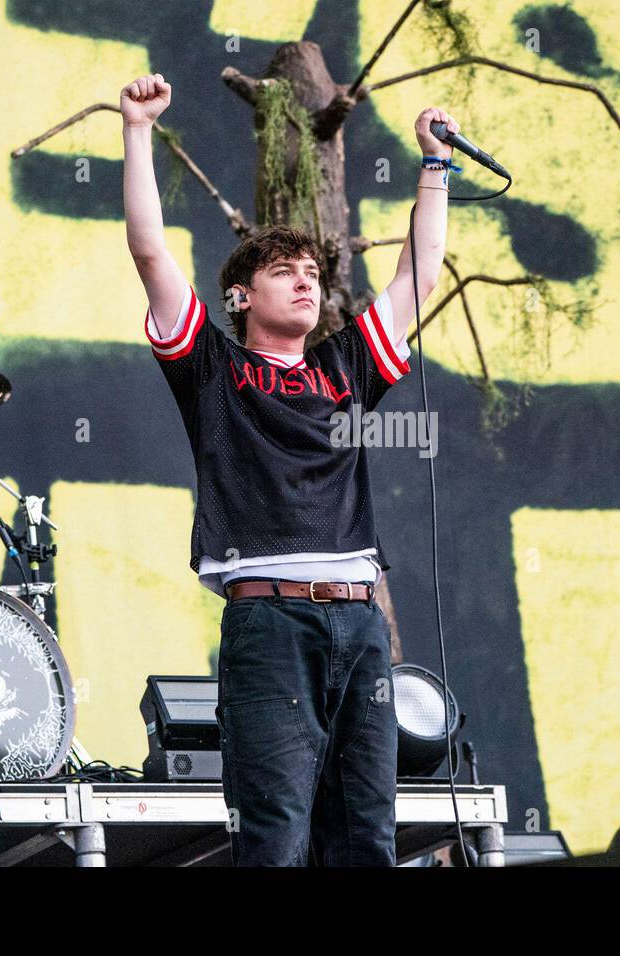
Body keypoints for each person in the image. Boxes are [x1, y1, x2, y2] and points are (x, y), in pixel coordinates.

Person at [121, 73, 455, 866]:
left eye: (311, 272)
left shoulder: (345, 366)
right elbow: (148, 249)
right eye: (284, 272)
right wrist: (138, 130)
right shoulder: (214, 368)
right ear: (239, 296)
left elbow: (420, 277)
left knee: (368, 838)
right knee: (276, 838)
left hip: (361, 623)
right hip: (270, 622)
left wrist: (435, 165)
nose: (306, 280)